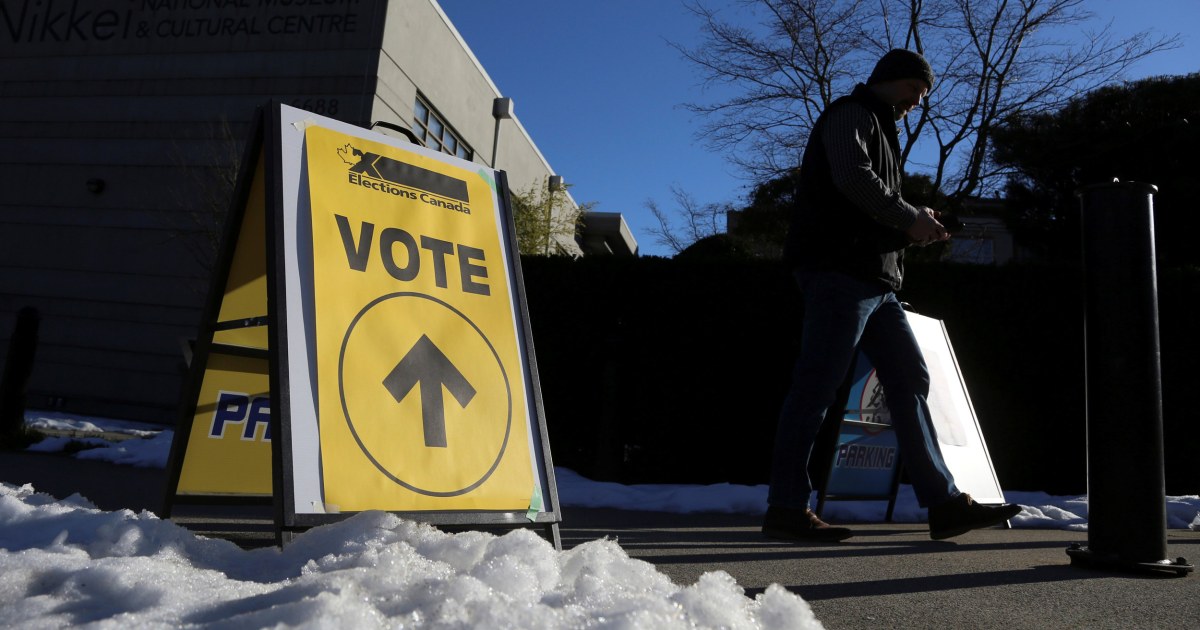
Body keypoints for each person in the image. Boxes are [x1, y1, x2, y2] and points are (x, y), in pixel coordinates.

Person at [765, 49, 1021, 542]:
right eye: (916, 89)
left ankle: (944, 504)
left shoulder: (880, 125)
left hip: (876, 282)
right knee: (816, 387)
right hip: (840, 272)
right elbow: (852, 177)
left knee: (910, 380)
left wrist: (914, 221)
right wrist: (909, 218)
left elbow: (867, 197)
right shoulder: (850, 114)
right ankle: (786, 507)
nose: (918, 100)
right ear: (892, 80)